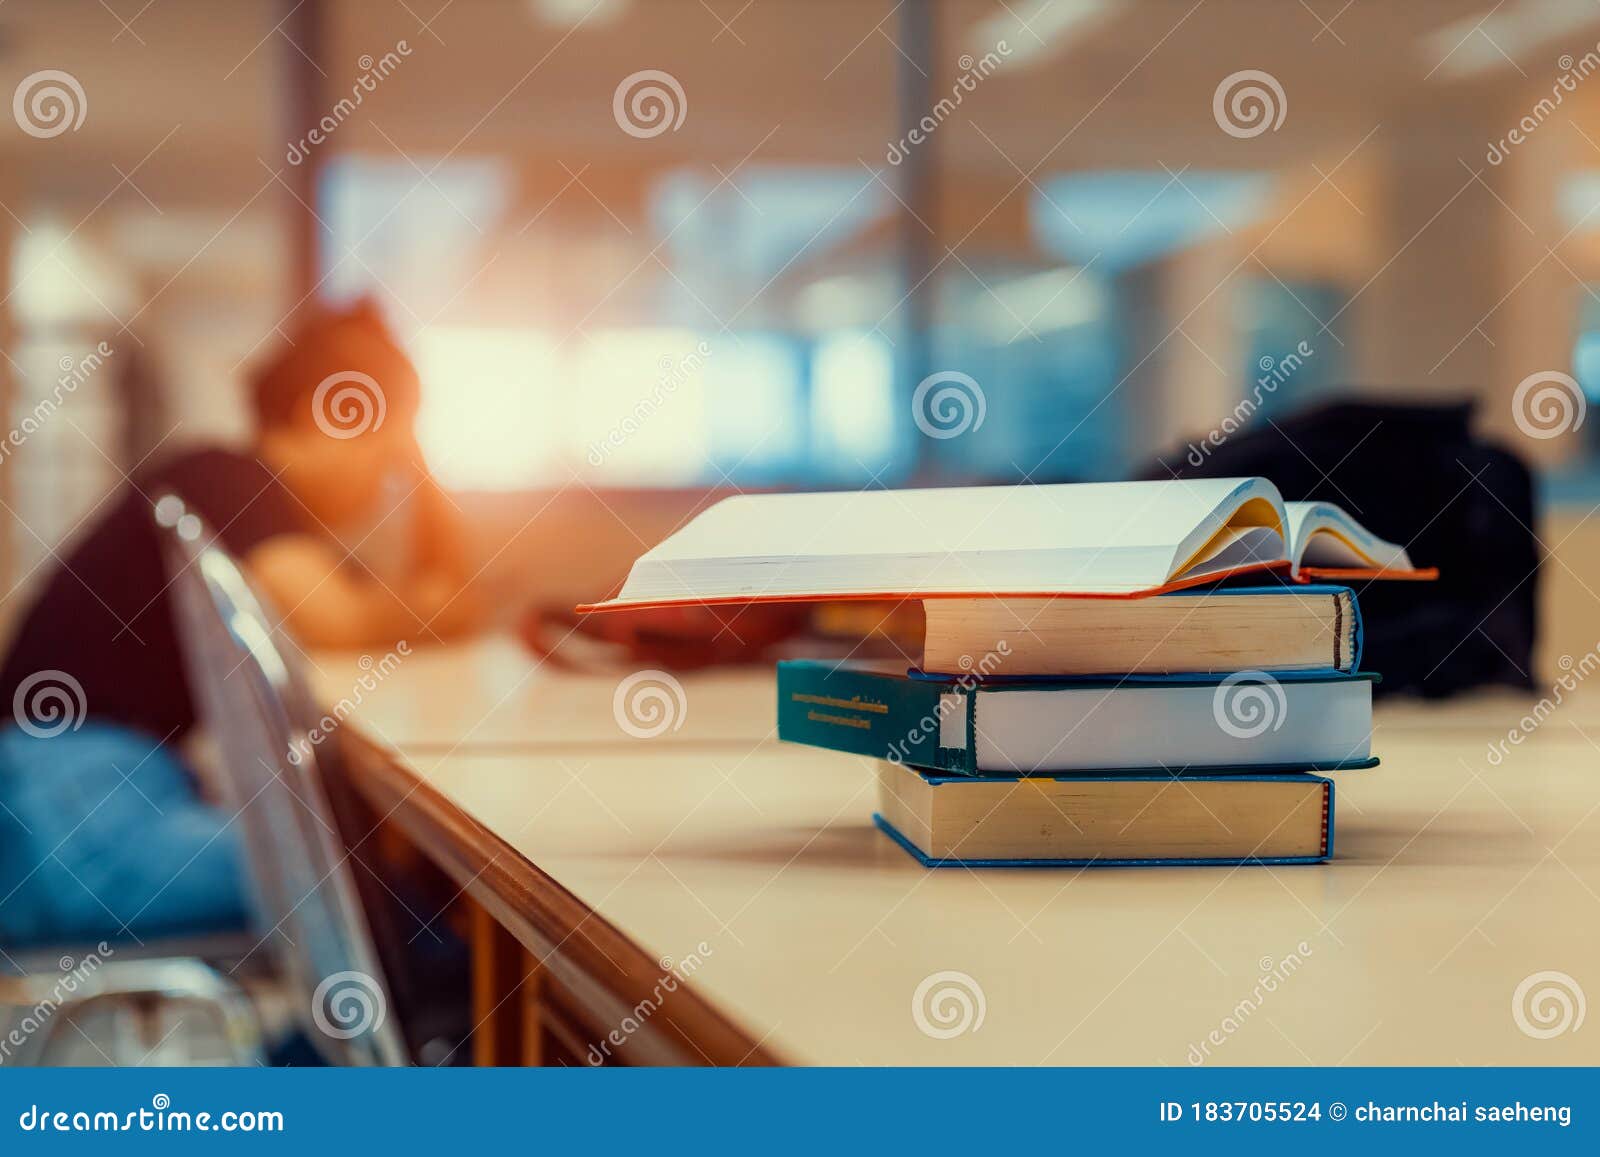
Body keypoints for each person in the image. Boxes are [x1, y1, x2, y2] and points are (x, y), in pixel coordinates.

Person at [0, 300, 481, 949]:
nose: (386, 478)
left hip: (73, 812)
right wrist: (424, 466)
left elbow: (404, 606)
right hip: (70, 826)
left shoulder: (229, 486)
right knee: (375, 896)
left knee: (373, 888)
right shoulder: (228, 478)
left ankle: (323, 1047)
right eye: (387, 448)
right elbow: (344, 620)